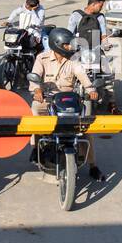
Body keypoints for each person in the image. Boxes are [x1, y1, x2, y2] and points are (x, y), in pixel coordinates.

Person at [30, 27, 102, 179]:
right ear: (56, 44)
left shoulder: (74, 60)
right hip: (48, 98)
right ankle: (36, 147)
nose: (70, 47)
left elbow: (82, 75)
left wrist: (90, 89)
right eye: (67, 45)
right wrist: (37, 91)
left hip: (69, 98)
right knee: (35, 110)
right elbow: (35, 75)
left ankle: (93, 165)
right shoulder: (41, 58)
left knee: (85, 128)